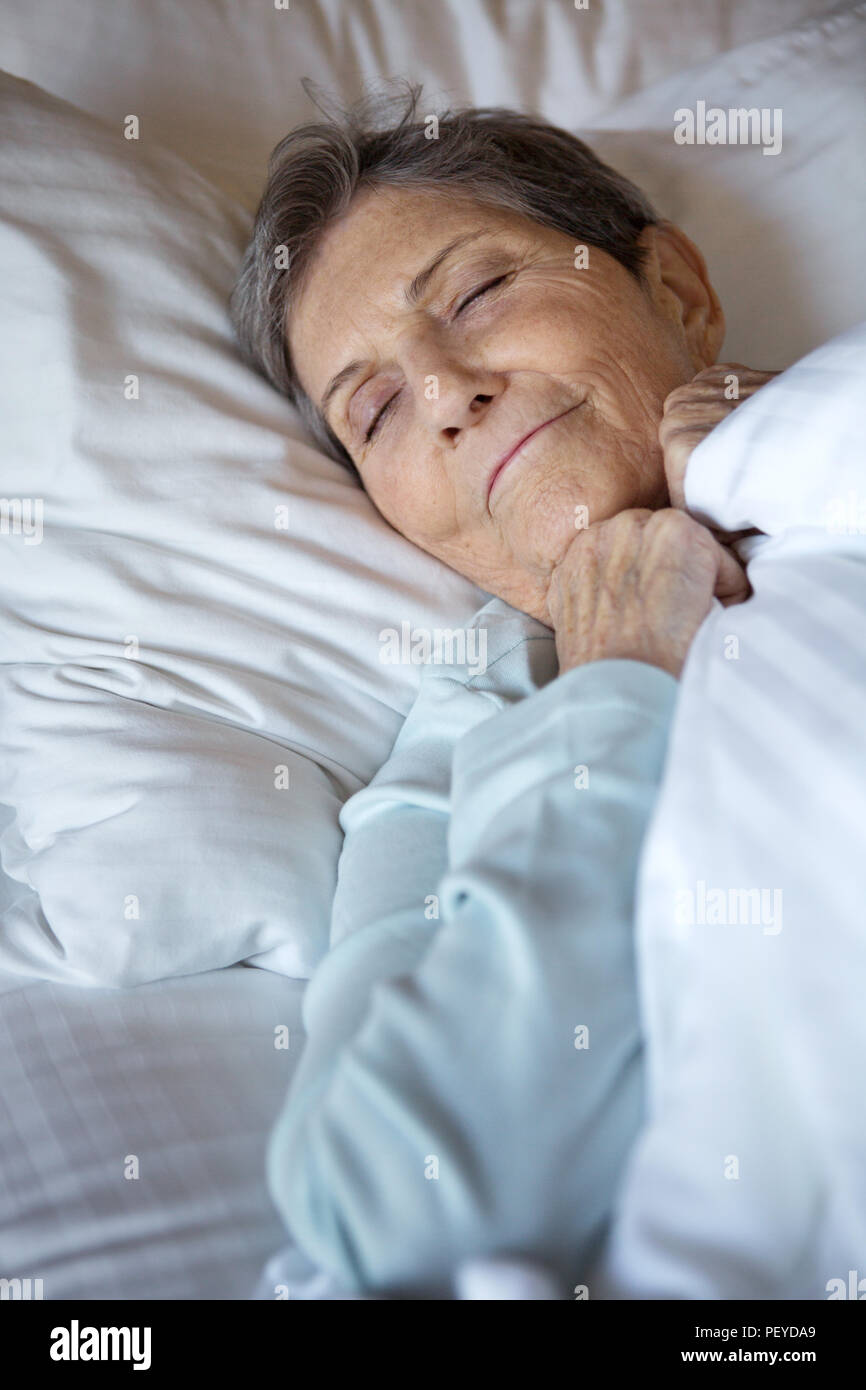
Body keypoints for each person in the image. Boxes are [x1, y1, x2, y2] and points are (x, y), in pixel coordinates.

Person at [230, 85, 770, 1297]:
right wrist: (615, 692)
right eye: (371, 410)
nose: (445, 393)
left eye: (476, 295)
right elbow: (386, 1197)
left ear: (672, 292)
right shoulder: (451, 766)